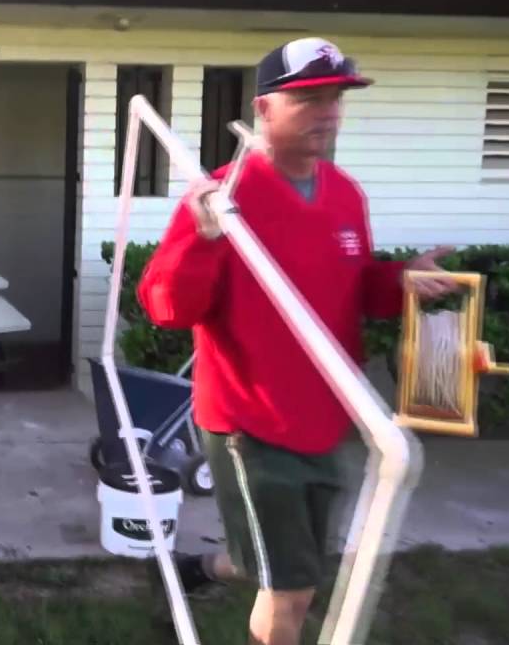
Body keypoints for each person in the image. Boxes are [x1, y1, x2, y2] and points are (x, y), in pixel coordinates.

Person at [136, 38, 456, 645]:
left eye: (335, 98)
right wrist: (202, 241)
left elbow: (355, 293)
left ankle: (191, 570)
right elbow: (168, 309)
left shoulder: (345, 194)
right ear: (264, 109)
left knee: (287, 558)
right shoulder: (220, 199)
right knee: (293, 589)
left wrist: (403, 281)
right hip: (249, 425)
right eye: (308, 99)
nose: (328, 112)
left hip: (327, 420)